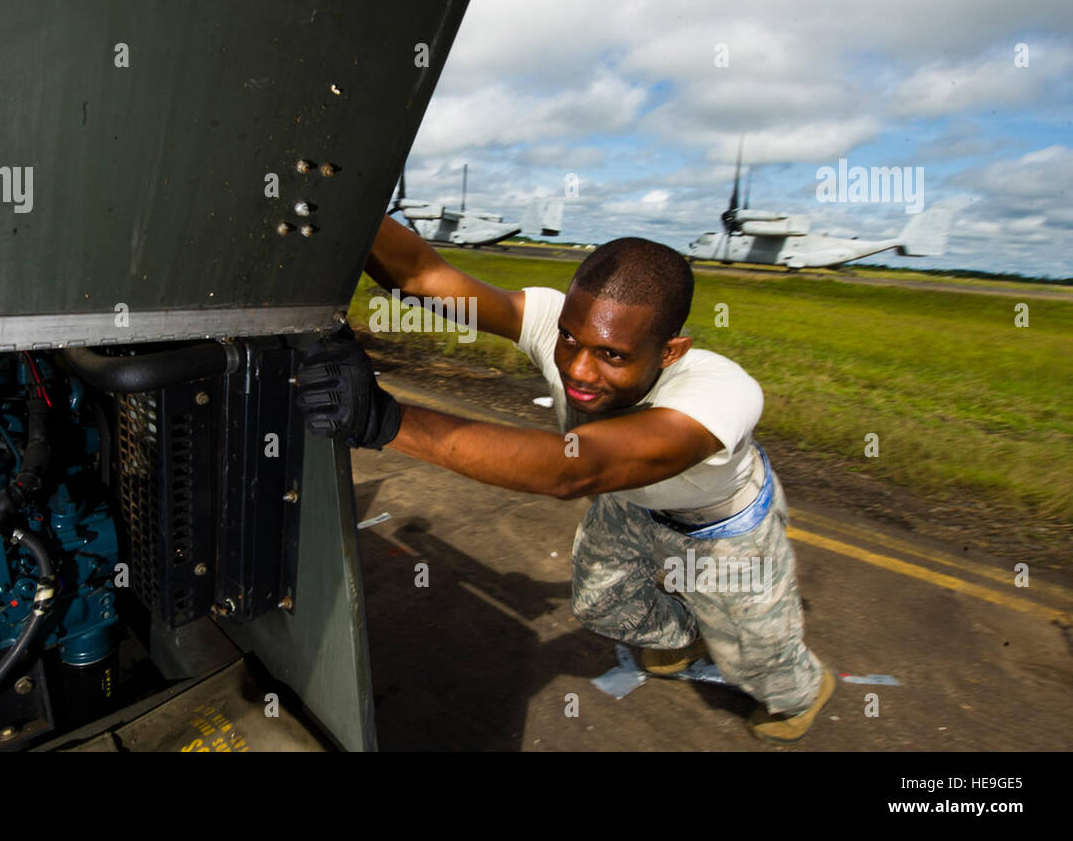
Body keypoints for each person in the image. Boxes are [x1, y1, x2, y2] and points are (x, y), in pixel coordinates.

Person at [296, 216, 835, 742]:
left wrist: (385, 421)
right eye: (569, 340)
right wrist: (349, 204)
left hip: (721, 529)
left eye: (612, 356)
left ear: (670, 352)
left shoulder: (721, 392)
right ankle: (685, 633)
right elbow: (424, 280)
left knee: (756, 656)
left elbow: (576, 468)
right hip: (628, 504)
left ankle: (801, 692)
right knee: (603, 605)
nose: (578, 369)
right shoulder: (565, 322)